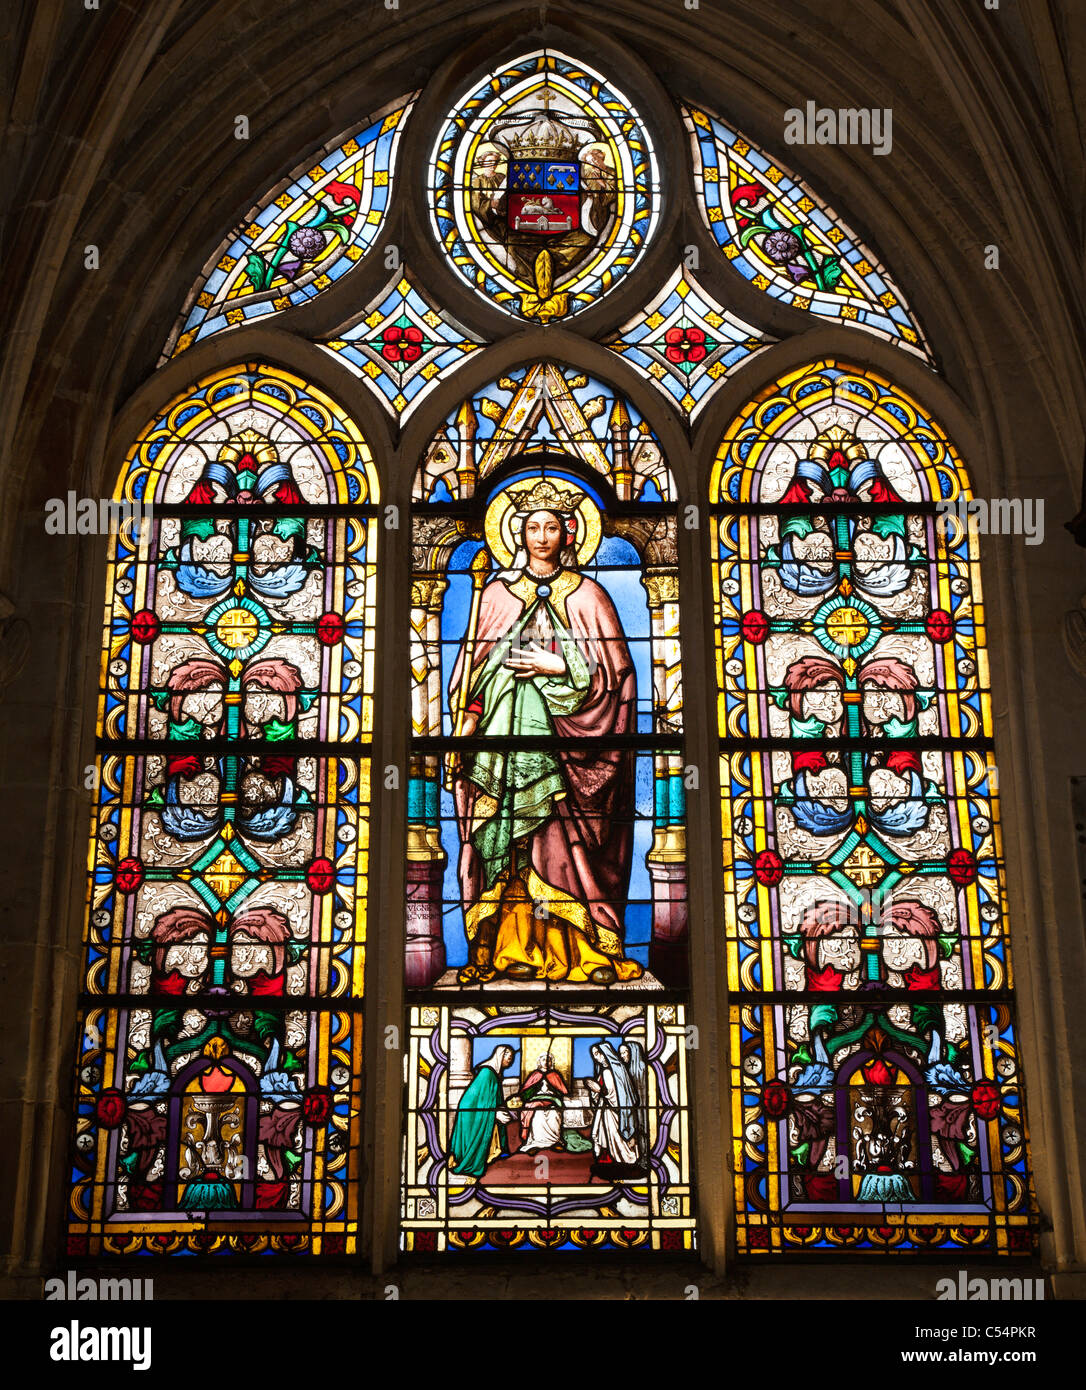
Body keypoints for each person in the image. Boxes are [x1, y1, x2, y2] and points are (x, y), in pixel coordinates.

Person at [448, 482, 643, 985]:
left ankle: (583, 949)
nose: (541, 536)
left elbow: (618, 677)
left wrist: (559, 667)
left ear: (568, 533)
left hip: (563, 752)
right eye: (532, 526)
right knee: (504, 844)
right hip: (499, 746)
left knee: (559, 839)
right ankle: (497, 949)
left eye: (551, 527)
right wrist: (466, 726)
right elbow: (473, 671)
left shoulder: (589, 596)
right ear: (517, 532)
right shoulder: (492, 595)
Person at [448, 1046, 516, 1180]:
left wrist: (499, 1110)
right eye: (508, 1056)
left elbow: (489, 1100)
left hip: (478, 1111)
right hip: (471, 1113)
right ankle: (473, 1161)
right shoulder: (487, 1074)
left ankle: (495, 1154)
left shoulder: (493, 1074)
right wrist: (495, 1114)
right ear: (500, 1055)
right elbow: (480, 1103)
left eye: (512, 1057)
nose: (510, 1059)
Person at [586, 1042, 639, 1168]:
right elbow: (604, 1092)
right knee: (606, 1135)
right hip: (605, 1109)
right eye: (594, 1054)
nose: (596, 1057)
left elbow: (617, 1094)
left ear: (605, 1054)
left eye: (597, 1053)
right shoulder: (606, 1070)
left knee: (616, 1135)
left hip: (614, 1111)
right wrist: (595, 1091)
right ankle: (609, 1158)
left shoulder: (613, 1070)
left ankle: (625, 1159)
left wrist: (598, 1090)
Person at [517, 1052, 569, 1154]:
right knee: (538, 1115)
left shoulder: (554, 1075)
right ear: (539, 1062)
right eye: (543, 1060)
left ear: (551, 1062)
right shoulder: (535, 1075)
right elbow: (526, 1092)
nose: (546, 1062)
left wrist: (554, 1091)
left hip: (553, 1100)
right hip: (536, 1100)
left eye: (548, 1060)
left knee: (554, 1114)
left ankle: (555, 1141)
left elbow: (562, 1092)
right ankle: (535, 1143)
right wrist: (535, 1087)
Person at [618, 1040, 650, 1165]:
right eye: (621, 1053)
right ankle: (642, 1157)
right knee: (638, 1131)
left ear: (633, 1052)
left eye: (625, 1052)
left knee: (644, 1130)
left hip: (644, 1107)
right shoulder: (628, 1069)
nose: (622, 1056)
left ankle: (646, 1157)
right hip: (635, 1107)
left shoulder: (643, 1069)